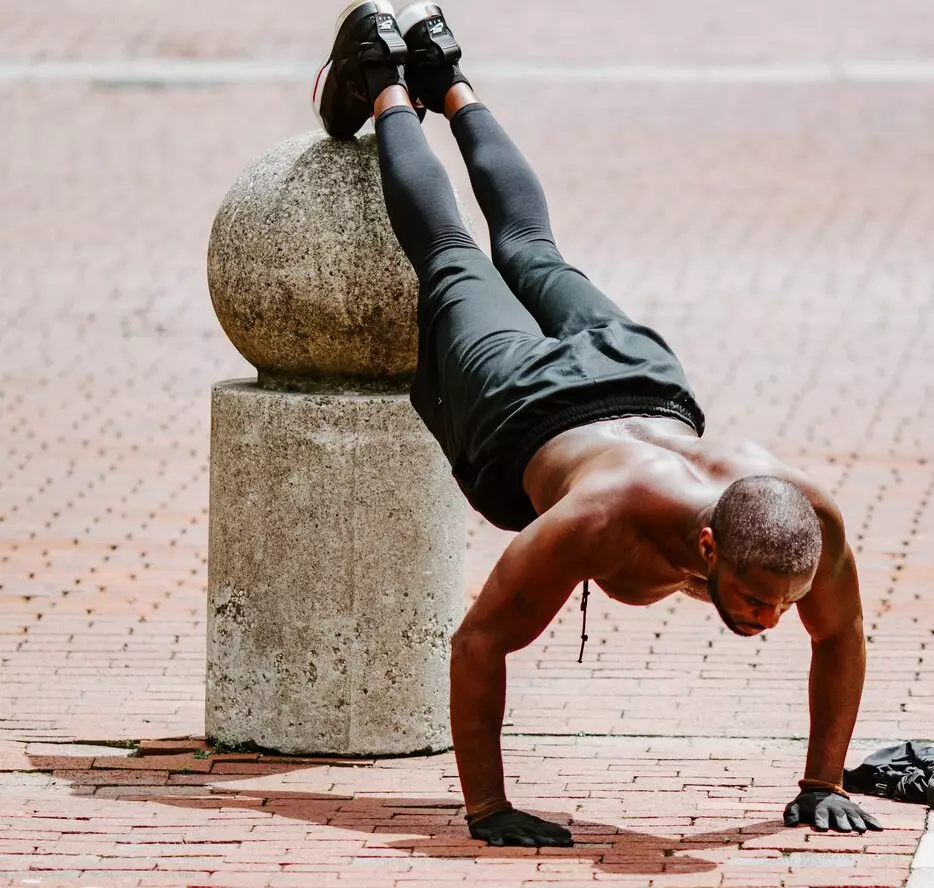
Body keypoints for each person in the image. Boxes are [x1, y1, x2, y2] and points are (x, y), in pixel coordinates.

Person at [314, 0, 883, 848]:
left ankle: (450, 75)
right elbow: (477, 645)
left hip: (641, 379)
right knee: (454, 253)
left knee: (533, 249)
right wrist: (487, 809)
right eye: (760, 604)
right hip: (523, 402)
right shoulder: (595, 521)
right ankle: (387, 78)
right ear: (706, 548)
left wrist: (822, 782)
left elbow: (839, 631)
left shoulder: (807, 520)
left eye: (779, 605)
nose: (770, 622)